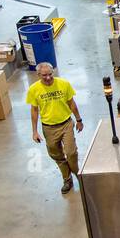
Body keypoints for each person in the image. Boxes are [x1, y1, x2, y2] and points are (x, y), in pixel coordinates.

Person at [26, 62, 83, 193]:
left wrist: (79, 120)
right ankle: (67, 179)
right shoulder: (34, 89)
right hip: (49, 128)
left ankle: (78, 175)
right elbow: (34, 111)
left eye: (50, 74)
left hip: (66, 124)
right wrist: (34, 131)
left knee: (71, 152)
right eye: (44, 75)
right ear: (38, 75)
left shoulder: (64, 84)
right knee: (56, 155)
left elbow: (71, 103)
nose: (47, 78)